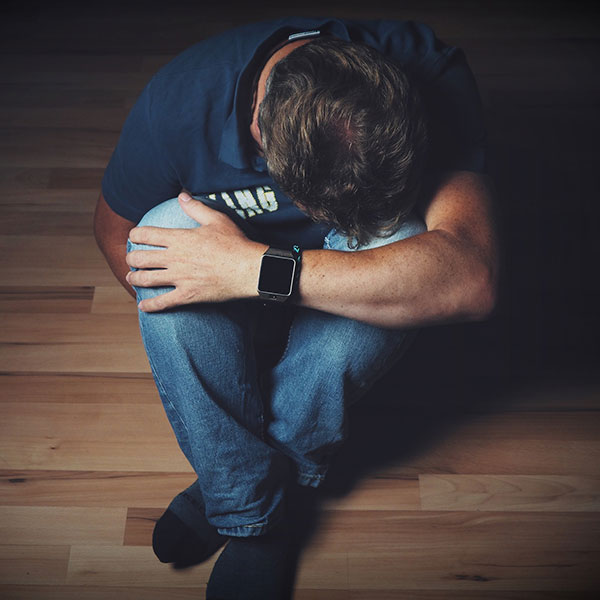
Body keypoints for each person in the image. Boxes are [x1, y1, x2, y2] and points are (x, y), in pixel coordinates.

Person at [94, 17, 498, 599]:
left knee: (402, 241)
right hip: (238, 289)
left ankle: (256, 502)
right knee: (161, 233)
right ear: (258, 129)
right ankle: (246, 497)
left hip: (285, 280)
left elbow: (471, 279)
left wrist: (254, 273)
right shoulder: (180, 103)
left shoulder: (430, 74)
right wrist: (230, 332)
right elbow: (115, 234)